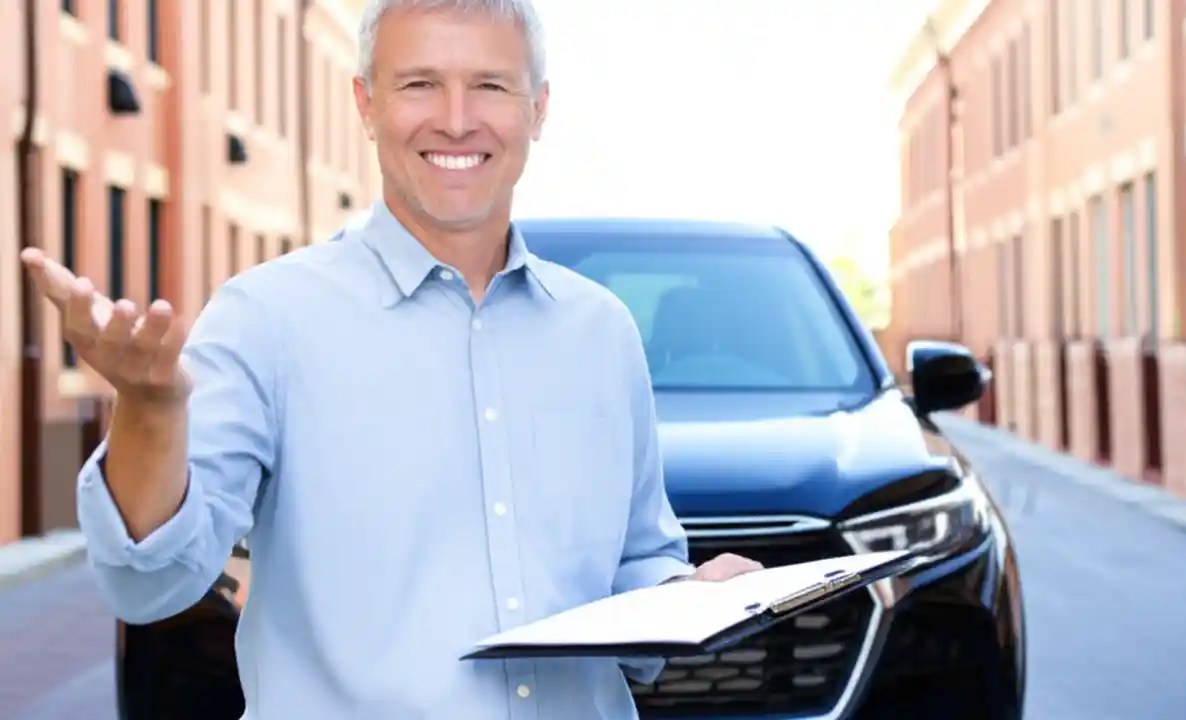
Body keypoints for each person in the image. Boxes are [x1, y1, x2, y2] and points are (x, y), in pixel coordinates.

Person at [18, 0, 762, 717]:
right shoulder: (265, 319)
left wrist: (686, 594)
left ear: (537, 109)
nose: (457, 119)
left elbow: (636, 562)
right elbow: (148, 582)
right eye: (420, 84)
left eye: (490, 85)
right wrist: (149, 413)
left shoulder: (601, 333)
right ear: (366, 105)